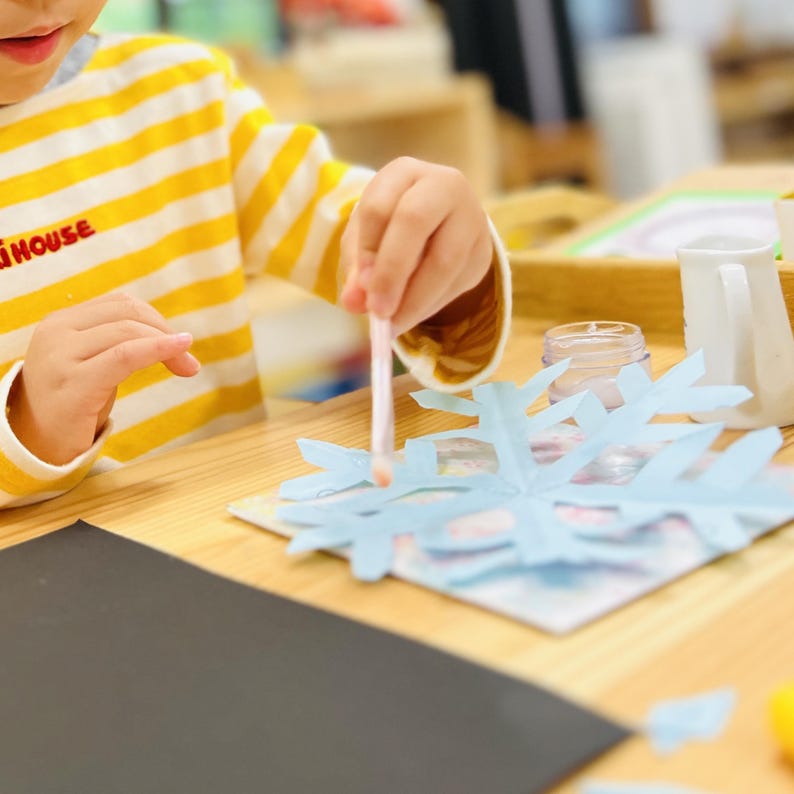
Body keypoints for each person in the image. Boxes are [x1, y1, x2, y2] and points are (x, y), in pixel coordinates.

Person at [0, 0, 511, 509]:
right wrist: (27, 426)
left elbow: (378, 257)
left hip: (239, 533)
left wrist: (440, 256)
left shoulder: (183, 91)